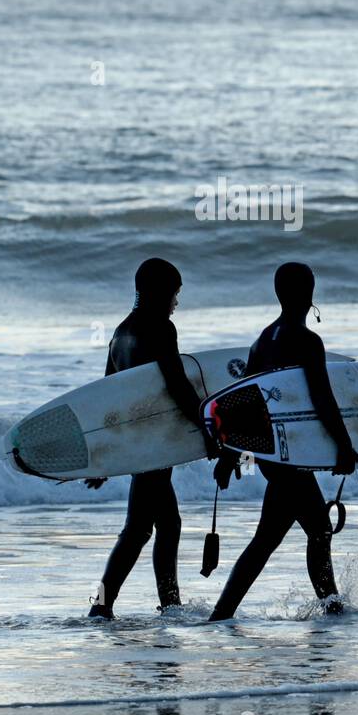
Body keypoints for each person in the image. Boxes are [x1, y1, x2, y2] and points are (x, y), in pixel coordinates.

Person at [208, 262, 358, 621]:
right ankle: (331, 608)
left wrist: (229, 457)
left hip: (273, 454)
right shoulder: (307, 341)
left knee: (273, 537)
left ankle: (224, 613)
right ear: (310, 294)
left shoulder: (262, 339)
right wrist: (343, 444)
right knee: (316, 530)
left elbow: (240, 401)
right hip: (289, 455)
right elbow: (322, 397)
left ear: (279, 294)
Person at [88, 258, 216, 619]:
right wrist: (209, 428)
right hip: (153, 440)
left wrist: (103, 457)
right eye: (175, 294)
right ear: (159, 293)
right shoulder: (161, 328)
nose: (176, 302)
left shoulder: (121, 332)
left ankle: (167, 603)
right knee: (140, 528)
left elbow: (105, 397)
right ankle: (105, 606)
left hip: (136, 438)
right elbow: (177, 386)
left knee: (161, 524)